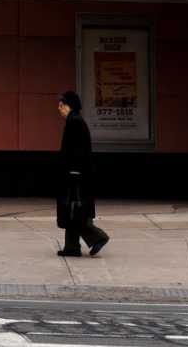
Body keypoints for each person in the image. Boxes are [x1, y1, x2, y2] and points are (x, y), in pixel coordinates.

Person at [56, 91, 109, 257]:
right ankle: (71, 247)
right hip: (76, 174)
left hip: (76, 175)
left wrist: (74, 171)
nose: (59, 108)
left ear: (70, 105)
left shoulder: (75, 122)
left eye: (61, 105)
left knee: (75, 209)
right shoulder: (74, 120)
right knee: (72, 209)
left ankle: (98, 237)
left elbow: (77, 150)